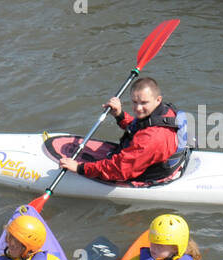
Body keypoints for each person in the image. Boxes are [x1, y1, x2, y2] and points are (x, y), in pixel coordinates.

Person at [57, 77, 185, 184]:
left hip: (150, 174)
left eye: (144, 103)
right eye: (134, 102)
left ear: (158, 100)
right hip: (164, 160)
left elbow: (119, 170)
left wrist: (79, 168)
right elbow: (141, 129)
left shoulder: (151, 138)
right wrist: (120, 115)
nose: (138, 108)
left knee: (108, 168)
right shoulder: (165, 112)